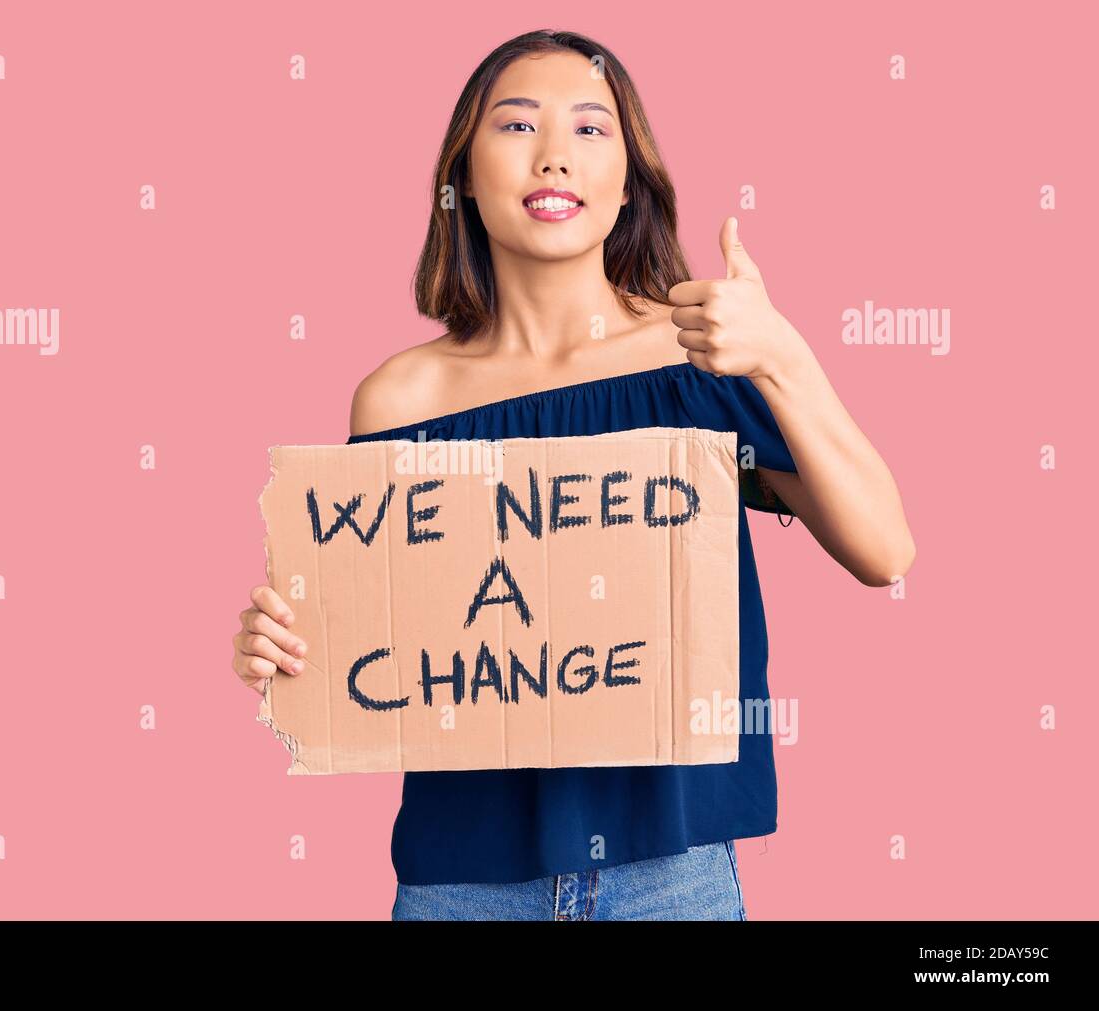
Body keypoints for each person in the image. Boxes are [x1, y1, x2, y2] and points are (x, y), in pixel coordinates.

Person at [233, 29, 916, 921]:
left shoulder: (703, 354)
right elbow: (391, 634)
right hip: (457, 884)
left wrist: (784, 359)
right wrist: (278, 640)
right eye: (517, 126)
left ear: (627, 182)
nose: (554, 155)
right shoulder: (399, 399)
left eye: (591, 131)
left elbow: (886, 551)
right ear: (463, 174)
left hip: (672, 876)